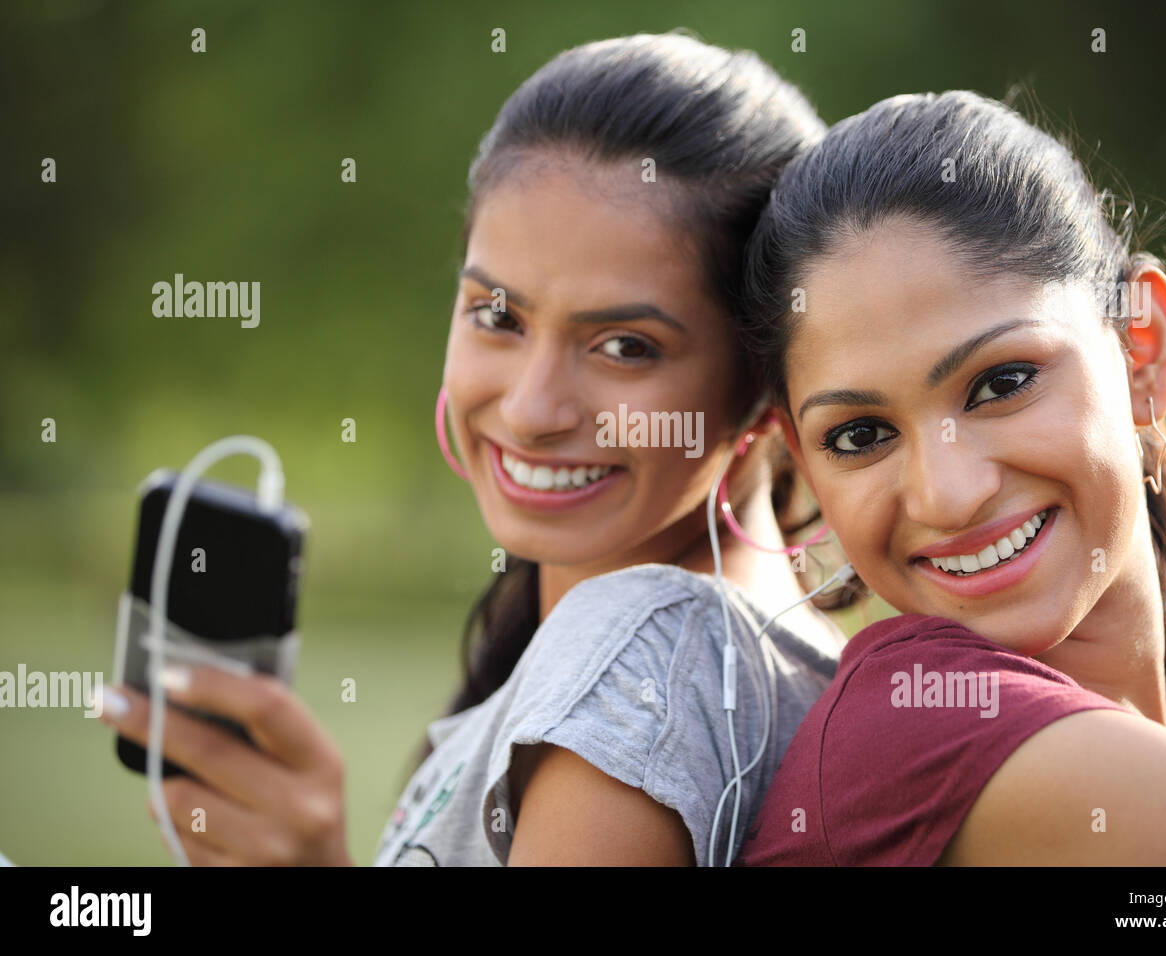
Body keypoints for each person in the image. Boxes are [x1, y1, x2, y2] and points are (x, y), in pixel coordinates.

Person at [96, 33, 856, 867]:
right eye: (498, 316)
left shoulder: (640, 651)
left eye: (626, 346)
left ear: (764, 388)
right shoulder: (764, 660)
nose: (531, 411)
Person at [736, 90, 1166, 865]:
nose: (949, 494)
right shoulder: (905, 729)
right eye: (861, 435)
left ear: (1143, 350)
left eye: (1001, 384)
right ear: (804, 464)